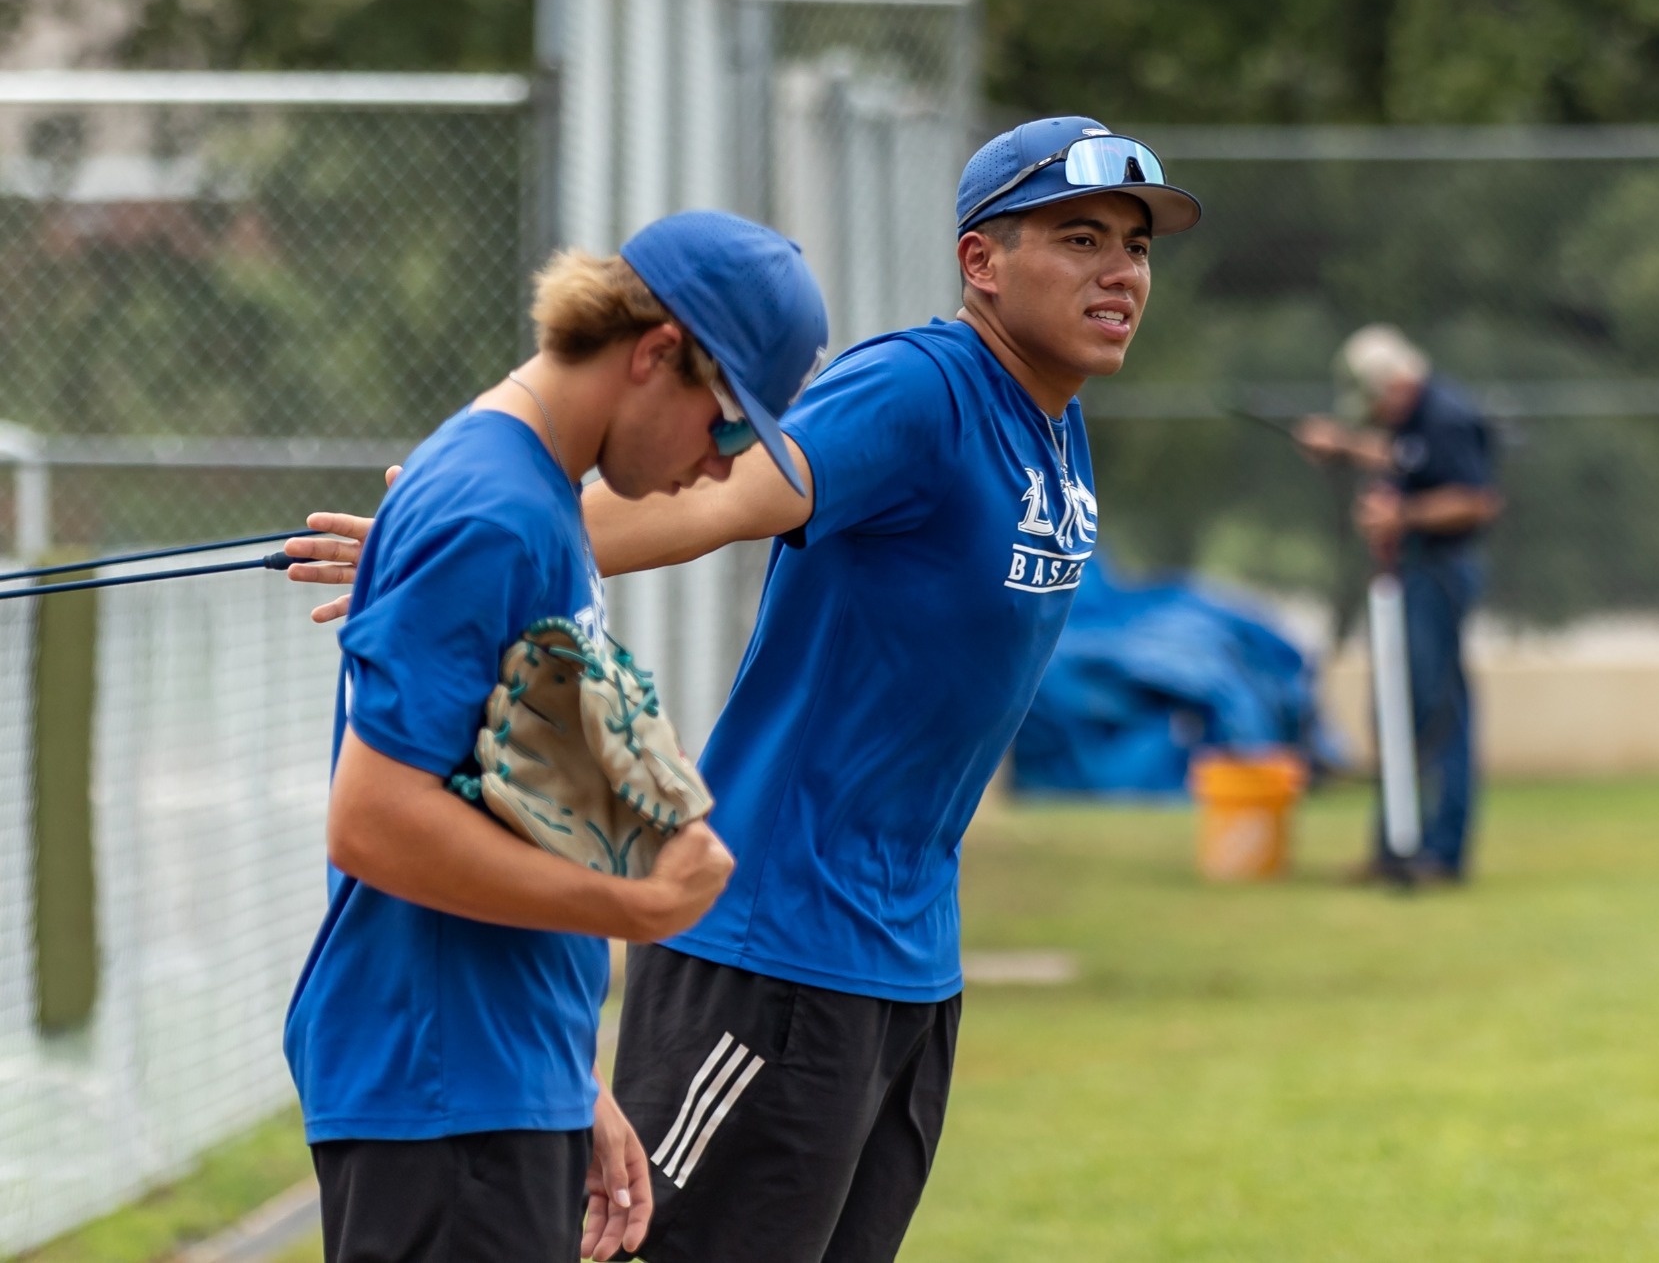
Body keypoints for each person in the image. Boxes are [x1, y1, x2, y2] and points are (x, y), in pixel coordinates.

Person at [289, 117, 1200, 1262]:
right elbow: (723, 495)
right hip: (774, 941)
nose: (1119, 271)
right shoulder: (920, 389)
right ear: (981, 261)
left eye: (1135, 246)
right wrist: (457, 539)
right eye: (1078, 238)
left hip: (906, 950)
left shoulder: (1052, 424)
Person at [282, 210, 826, 1263]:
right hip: (443, 1085)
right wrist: (638, 904)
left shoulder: (532, 494)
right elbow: (375, 820)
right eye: (727, 428)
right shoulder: (494, 512)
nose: (722, 469)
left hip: (494, 1070)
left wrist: (570, 1077)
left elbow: (481, 786)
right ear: (656, 352)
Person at [1294, 325, 1503, 885]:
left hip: (1439, 574)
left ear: (1395, 384)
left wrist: (1402, 517)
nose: (1376, 416)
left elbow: (1477, 500)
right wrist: (1342, 445)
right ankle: (1395, 846)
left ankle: (1437, 851)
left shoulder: (1447, 415)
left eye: (1376, 403)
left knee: (1436, 711)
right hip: (1407, 574)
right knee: (1396, 708)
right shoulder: (1412, 421)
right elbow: (1403, 458)